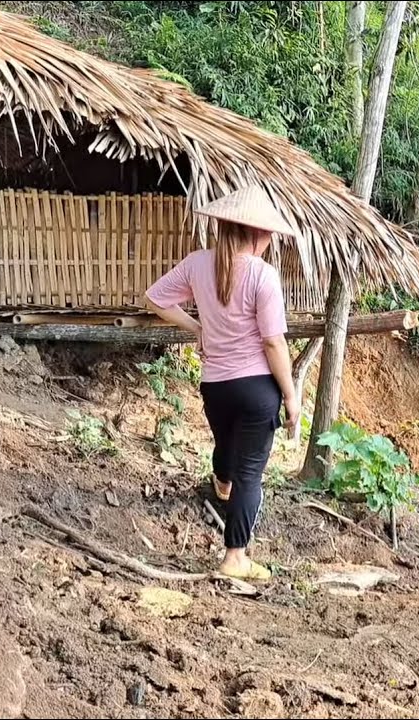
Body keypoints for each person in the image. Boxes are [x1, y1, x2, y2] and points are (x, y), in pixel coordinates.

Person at [144, 185, 301, 582]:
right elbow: (272, 341)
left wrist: (195, 326)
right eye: (268, 234)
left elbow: (155, 298)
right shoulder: (263, 276)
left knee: (227, 451)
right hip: (256, 390)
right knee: (251, 473)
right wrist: (291, 396)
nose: (269, 241)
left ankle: (221, 488)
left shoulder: (199, 264)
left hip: (215, 386)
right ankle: (235, 557)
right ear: (256, 233)